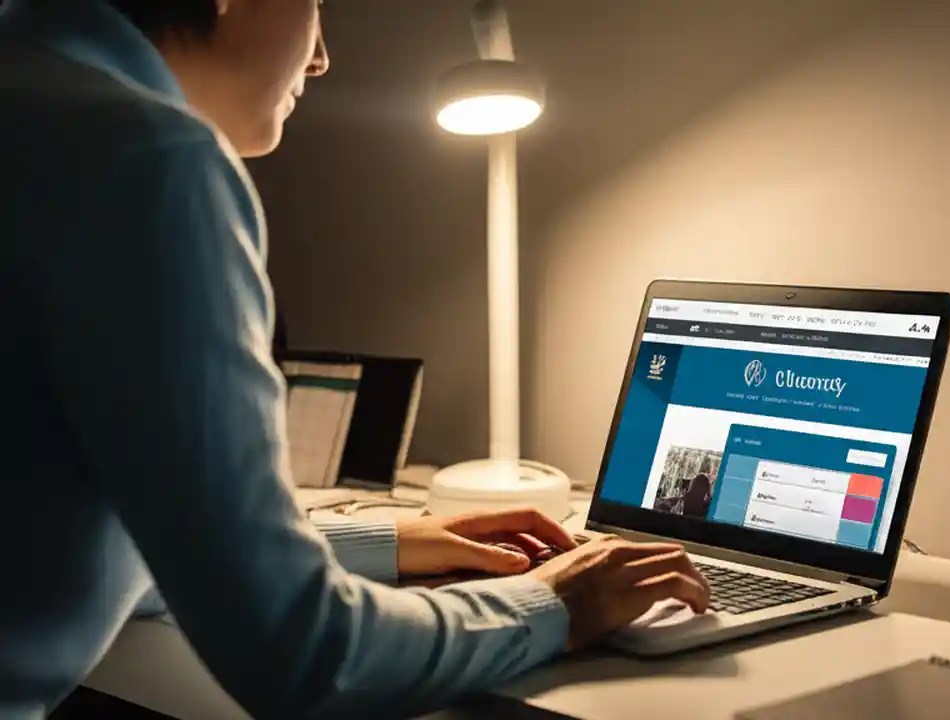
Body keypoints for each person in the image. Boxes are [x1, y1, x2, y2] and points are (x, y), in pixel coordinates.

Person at [0, 1, 710, 717]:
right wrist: (556, 603)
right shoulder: (150, 160)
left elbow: (136, 547)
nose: (320, 58)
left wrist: (391, 538)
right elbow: (305, 653)